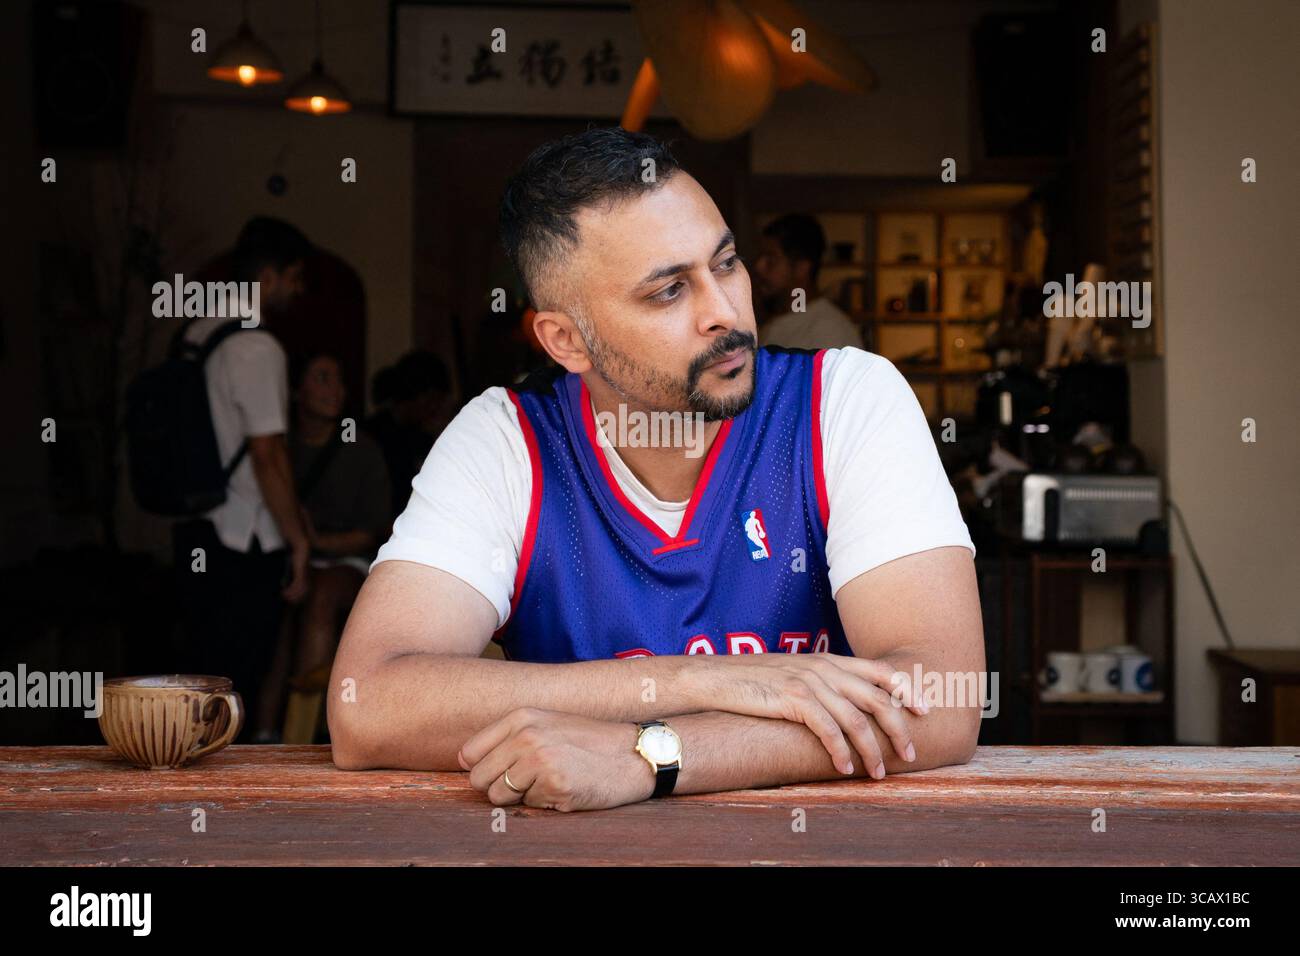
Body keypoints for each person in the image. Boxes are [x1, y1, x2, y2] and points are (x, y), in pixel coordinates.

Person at [328, 127, 984, 813]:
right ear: (566, 340)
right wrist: (708, 682)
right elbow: (367, 705)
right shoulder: (507, 440)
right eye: (670, 292)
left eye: (726, 264)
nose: (725, 312)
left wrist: (651, 753)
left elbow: (939, 700)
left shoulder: (845, 400)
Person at [172, 216, 313, 742]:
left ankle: (187, 795)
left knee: (198, 675)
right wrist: (298, 540)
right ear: (271, 275)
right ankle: (231, 805)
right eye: (296, 277)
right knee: (239, 684)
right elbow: (266, 454)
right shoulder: (257, 346)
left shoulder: (196, 333)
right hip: (243, 536)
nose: (298, 291)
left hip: (193, 524)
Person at [255, 352, 392, 742]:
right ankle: (264, 732)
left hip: (347, 560)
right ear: (297, 391)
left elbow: (372, 532)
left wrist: (316, 541)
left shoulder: (361, 450)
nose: (335, 388)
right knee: (276, 613)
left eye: (339, 379)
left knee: (321, 593)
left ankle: (308, 728)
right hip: (290, 557)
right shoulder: (279, 449)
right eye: (321, 377)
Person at [363, 350, 453, 523]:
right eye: (434, 400)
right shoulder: (373, 436)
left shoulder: (422, 437)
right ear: (422, 397)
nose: (436, 408)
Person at [752, 213, 864, 350]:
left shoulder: (829, 332)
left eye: (771, 260)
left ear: (801, 268)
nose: (759, 267)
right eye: (760, 257)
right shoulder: (776, 321)